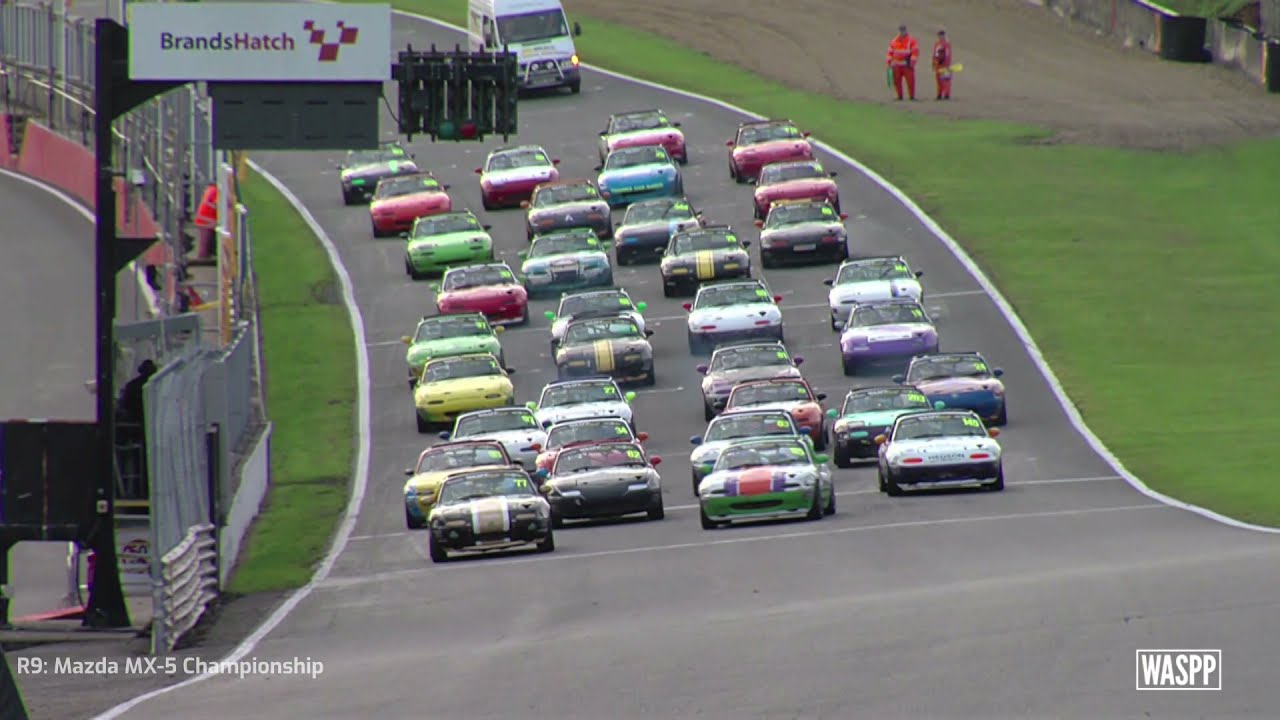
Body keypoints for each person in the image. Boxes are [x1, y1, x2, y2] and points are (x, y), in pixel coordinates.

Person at [886, 25, 920, 101]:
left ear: (906, 30)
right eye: (901, 30)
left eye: (903, 30)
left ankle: (911, 96)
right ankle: (899, 96)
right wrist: (889, 62)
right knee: (897, 81)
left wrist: (912, 63)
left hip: (906, 64)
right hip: (896, 65)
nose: (902, 32)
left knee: (910, 81)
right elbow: (890, 52)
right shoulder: (894, 41)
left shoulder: (911, 41)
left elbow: (915, 52)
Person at [933, 29, 953, 100]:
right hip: (938, 65)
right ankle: (939, 94)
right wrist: (934, 64)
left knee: (946, 80)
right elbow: (934, 54)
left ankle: (946, 94)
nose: (941, 36)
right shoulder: (937, 44)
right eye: (940, 35)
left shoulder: (946, 44)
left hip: (944, 65)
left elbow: (947, 55)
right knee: (939, 80)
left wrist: (947, 64)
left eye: (942, 35)